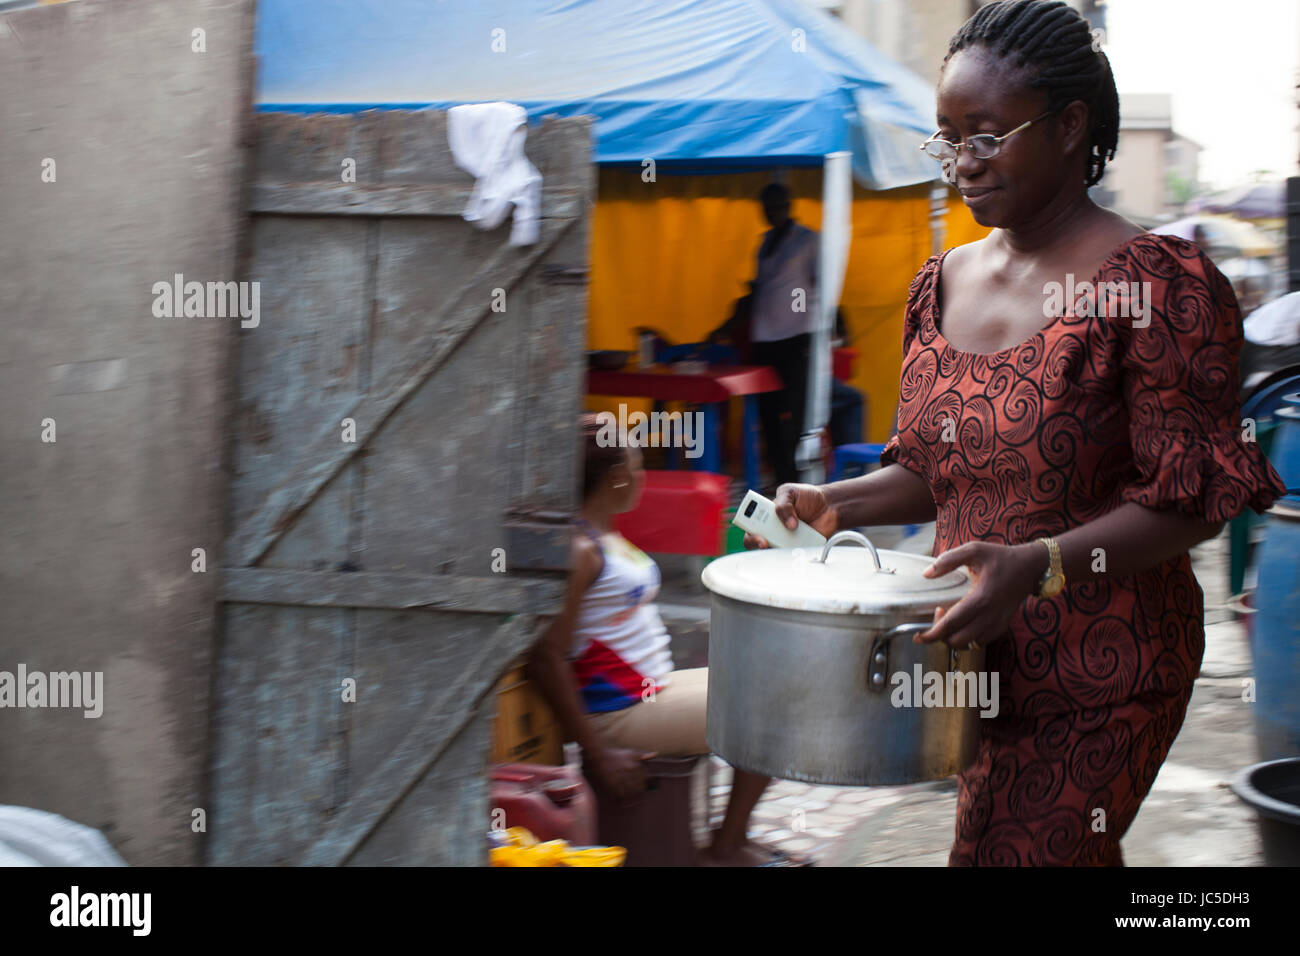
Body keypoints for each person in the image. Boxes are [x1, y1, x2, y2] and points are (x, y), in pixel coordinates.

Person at [747, 0, 1286, 866]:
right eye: (948, 136)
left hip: (1104, 664)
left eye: (987, 136)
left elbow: (1192, 507)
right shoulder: (942, 283)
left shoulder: (1155, 286)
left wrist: (1041, 565)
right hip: (969, 656)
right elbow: (940, 472)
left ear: (1072, 126)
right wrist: (833, 503)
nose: (963, 163)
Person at [525, 414, 807, 866]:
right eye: (638, 466)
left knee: (776, 681)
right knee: (771, 709)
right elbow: (547, 657)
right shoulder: (580, 551)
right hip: (619, 714)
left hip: (655, 689)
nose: (642, 476)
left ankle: (730, 838)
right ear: (617, 477)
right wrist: (598, 756)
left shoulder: (604, 534)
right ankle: (726, 847)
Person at [748, 183, 819, 489]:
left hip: (796, 337)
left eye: (777, 205)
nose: (772, 212)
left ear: (789, 206)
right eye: (767, 207)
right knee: (769, 415)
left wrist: (818, 323)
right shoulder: (764, 242)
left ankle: (796, 479)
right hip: (764, 340)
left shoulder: (807, 240)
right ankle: (777, 478)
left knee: (794, 415)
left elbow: (820, 284)